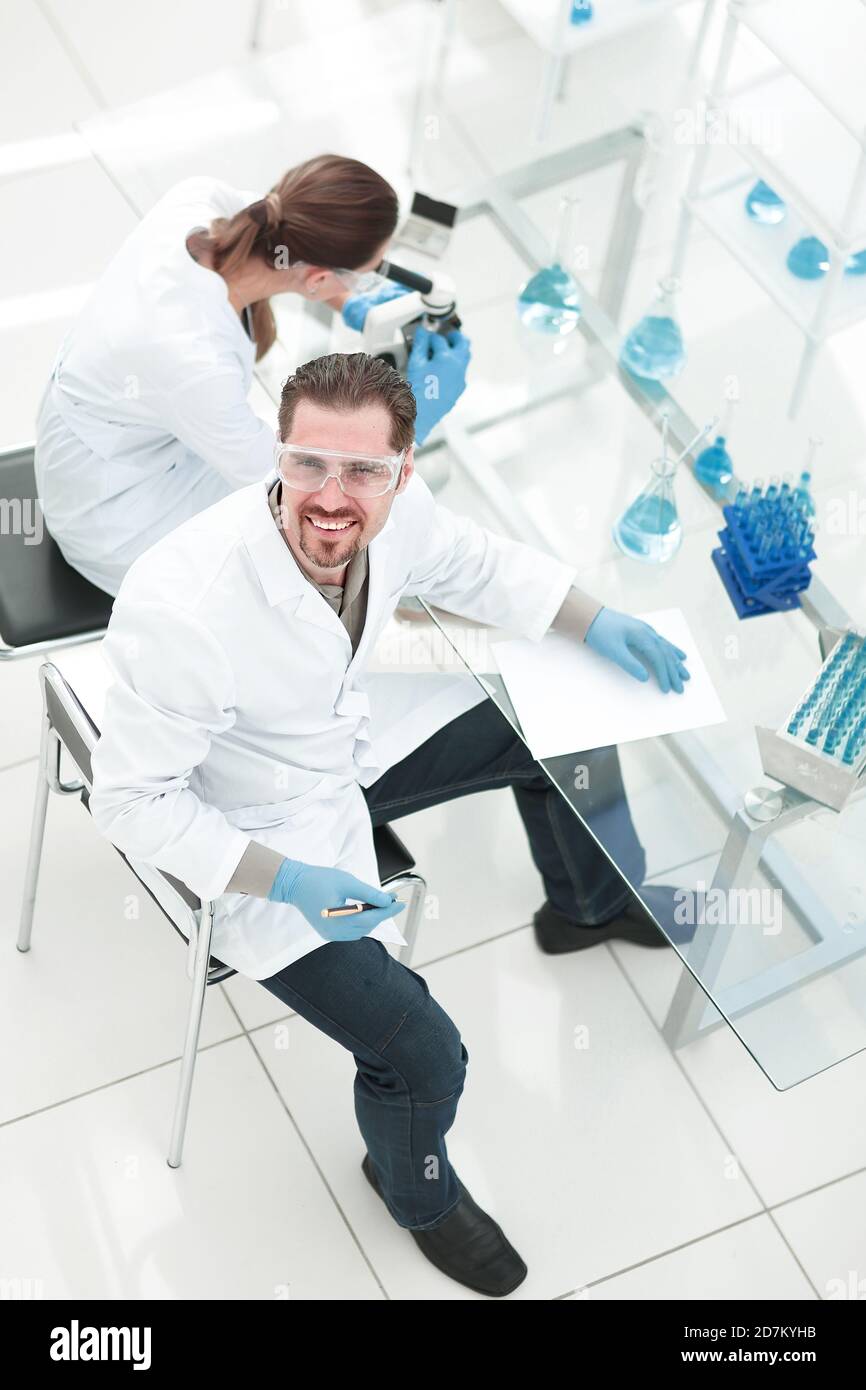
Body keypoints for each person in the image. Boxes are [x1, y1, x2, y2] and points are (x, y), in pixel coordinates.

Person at [90, 352, 690, 1299]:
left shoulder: (400, 514)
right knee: (422, 1053)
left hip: (347, 754)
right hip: (259, 833)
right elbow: (129, 802)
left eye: (364, 470)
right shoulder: (186, 606)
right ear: (277, 456)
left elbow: (476, 565)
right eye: (308, 465)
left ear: (402, 471)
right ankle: (417, 1194)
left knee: (557, 731)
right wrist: (287, 880)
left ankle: (588, 903)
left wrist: (592, 616)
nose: (332, 498)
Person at [34, 154, 470, 596]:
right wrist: (413, 422)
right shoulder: (194, 359)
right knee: (332, 531)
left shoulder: (199, 201)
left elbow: (292, 243)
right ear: (319, 278)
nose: (363, 286)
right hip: (116, 519)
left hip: (137, 443)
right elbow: (298, 482)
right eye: (364, 276)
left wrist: (352, 298)